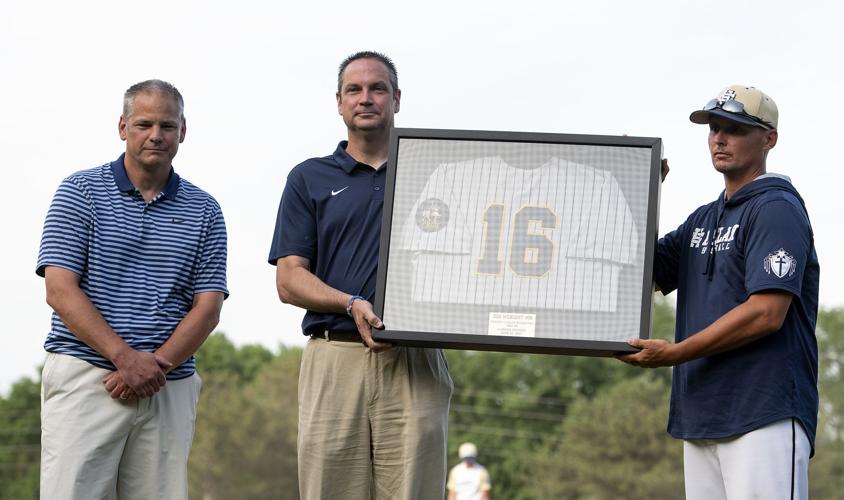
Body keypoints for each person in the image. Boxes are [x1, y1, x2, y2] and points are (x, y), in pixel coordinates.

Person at [619, 85, 819, 500]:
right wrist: (639, 191)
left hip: (764, 413)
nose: (719, 138)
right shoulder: (703, 219)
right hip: (703, 415)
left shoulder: (776, 207)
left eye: (735, 128)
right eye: (714, 128)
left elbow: (767, 312)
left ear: (769, 139)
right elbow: (643, 273)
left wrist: (674, 353)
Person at [268, 51, 453, 499]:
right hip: (334, 358)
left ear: (397, 99)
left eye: (377, 89)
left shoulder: (440, 173)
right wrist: (348, 302)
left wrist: (637, 176)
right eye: (354, 89)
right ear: (339, 101)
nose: (365, 98)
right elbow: (289, 279)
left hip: (416, 360)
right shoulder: (308, 178)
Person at [36, 79, 228, 500]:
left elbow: (208, 307)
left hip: (168, 386)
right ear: (123, 127)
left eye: (167, 125)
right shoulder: (79, 191)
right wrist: (125, 359)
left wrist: (155, 366)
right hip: (89, 378)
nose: (156, 135)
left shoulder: (205, 209)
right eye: (144, 124)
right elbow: (60, 290)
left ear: (183, 131)